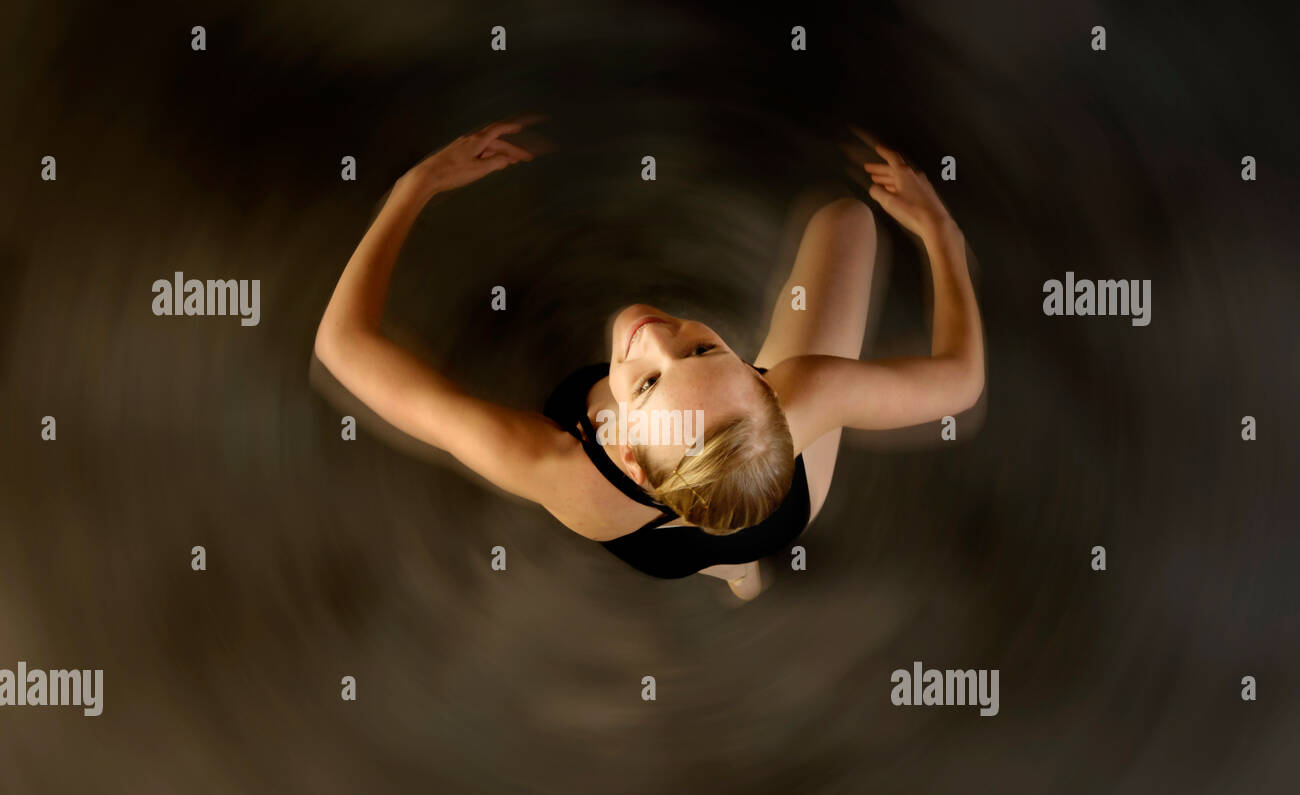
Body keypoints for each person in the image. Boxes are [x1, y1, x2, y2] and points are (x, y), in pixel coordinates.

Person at [313, 117, 985, 600]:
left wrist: (416, 186)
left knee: (716, 557)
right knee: (848, 221)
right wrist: (943, 238)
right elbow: (959, 382)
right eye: (704, 349)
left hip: (664, 552)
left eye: (649, 384)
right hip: (784, 511)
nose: (653, 332)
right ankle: (743, 567)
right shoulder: (807, 393)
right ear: (770, 399)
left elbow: (342, 346)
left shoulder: (559, 471)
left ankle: (735, 569)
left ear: (627, 455)